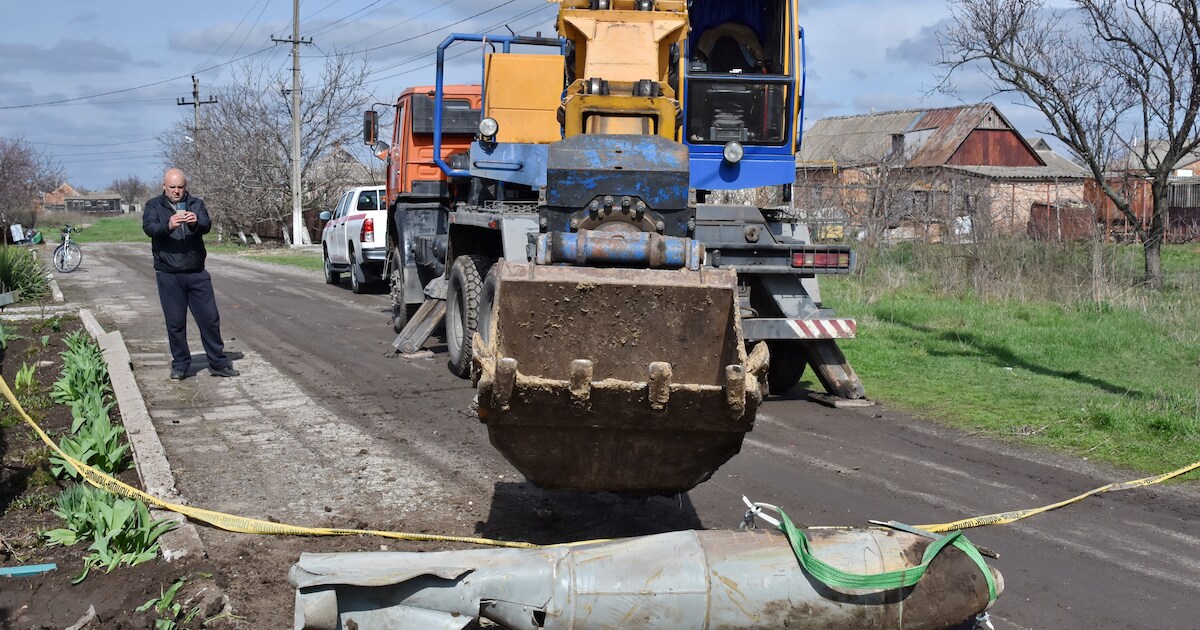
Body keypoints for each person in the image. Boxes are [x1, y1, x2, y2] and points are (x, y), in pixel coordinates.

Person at [142, 168, 239, 380]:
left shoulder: (196, 204)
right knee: (175, 323)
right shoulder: (153, 205)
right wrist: (168, 225)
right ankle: (180, 365)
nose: (176, 191)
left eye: (180, 187)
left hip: (196, 272)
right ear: (164, 186)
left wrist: (195, 222)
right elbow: (149, 228)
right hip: (169, 274)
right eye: (172, 187)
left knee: (210, 319)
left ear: (185, 186)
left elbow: (207, 225)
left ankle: (218, 363)